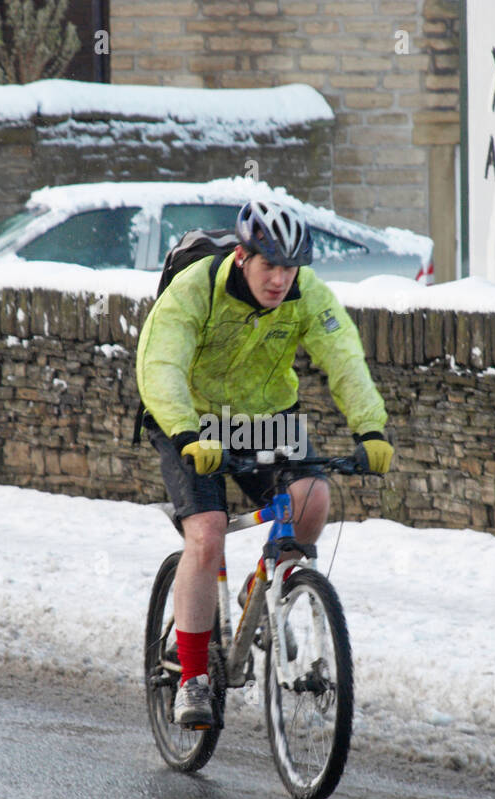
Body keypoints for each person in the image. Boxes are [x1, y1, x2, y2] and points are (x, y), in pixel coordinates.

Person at [136, 199, 394, 728]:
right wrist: (187, 432)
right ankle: (192, 678)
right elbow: (161, 361)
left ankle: (271, 590)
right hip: (189, 419)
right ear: (242, 257)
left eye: (289, 268)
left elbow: (343, 356)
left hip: (265, 420)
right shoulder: (197, 289)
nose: (279, 280)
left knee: (312, 498)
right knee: (207, 534)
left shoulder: (305, 295)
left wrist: (370, 427)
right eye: (268, 265)